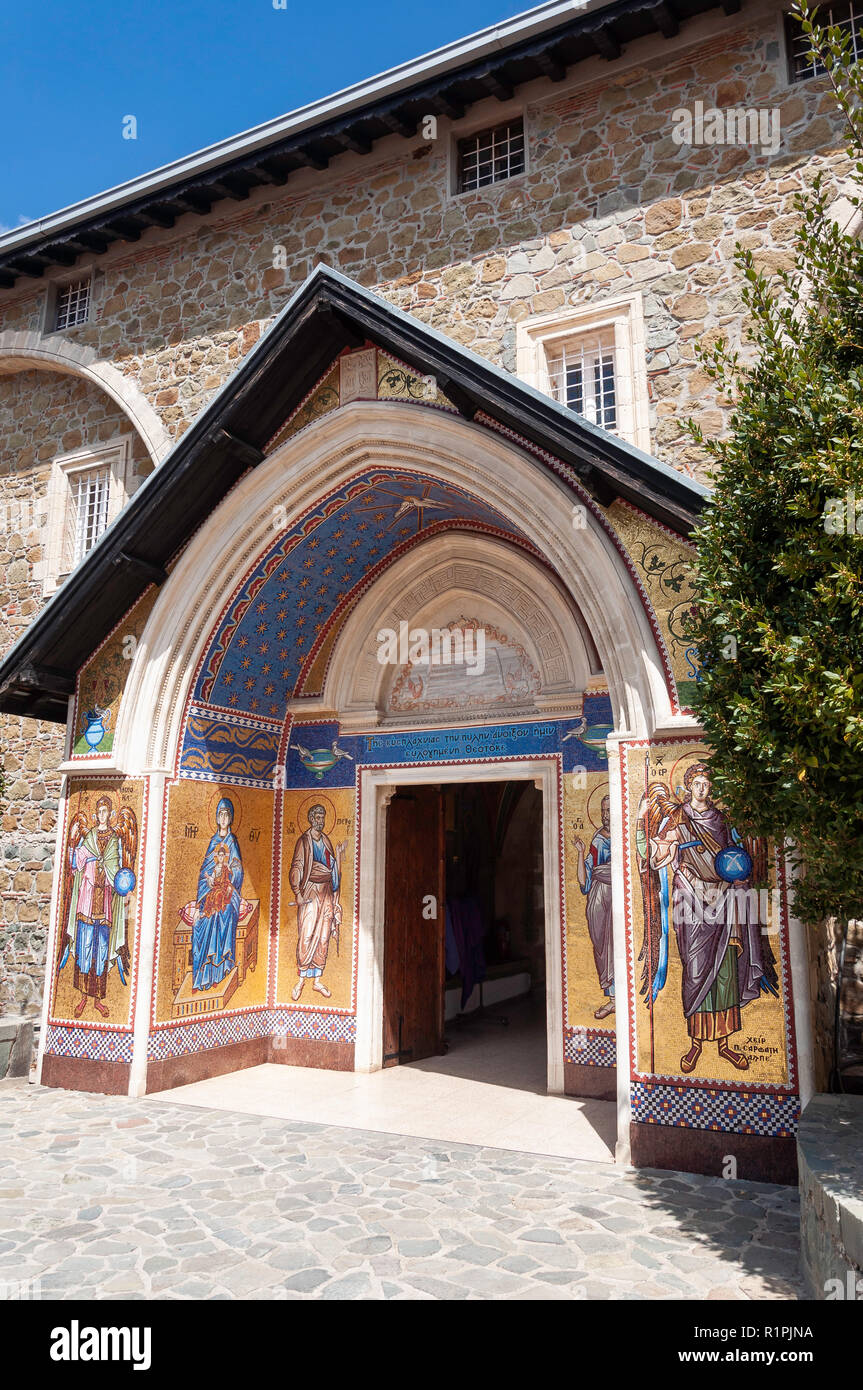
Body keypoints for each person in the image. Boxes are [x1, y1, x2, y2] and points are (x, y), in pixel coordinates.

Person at [651, 763, 768, 1074]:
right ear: (689, 785)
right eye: (697, 782)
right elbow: (656, 856)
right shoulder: (678, 817)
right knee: (696, 968)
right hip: (690, 898)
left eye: (706, 783)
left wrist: (740, 876)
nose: (702, 788)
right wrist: (668, 849)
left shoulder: (722, 818)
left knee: (726, 970)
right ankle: (696, 1045)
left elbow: (733, 855)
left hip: (725, 898)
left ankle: (726, 1044)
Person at [64, 796, 134, 1019]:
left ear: (110, 814)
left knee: (101, 951)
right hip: (86, 901)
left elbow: (116, 869)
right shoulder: (91, 836)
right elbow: (77, 861)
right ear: (96, 814)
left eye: (106, 811)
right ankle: (83, 998)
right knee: (84, 948)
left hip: (104, 903)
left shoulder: (114, 839)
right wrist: (73, 852)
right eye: (100, 811)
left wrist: (121, 885)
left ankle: (97, 1001)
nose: (103, 814)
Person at [289, 804, 346, 1000]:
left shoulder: (326, 841)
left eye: (323, 817)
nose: (321, 821)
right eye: (318, 817)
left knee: (323, 936)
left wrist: (338, 856)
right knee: (307, 933)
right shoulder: (304, 842)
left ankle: (317, 980)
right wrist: (297, 891)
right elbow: (297, 865)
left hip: (326, 892)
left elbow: (332, 867)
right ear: (311, 818)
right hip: (311, 891)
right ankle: (300, 981)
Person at [192, 798, 243, 991]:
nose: (223, 818)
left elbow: (238, 869)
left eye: (226, 814)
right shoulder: (213, 842)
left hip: (229, 891)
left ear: (230, 818)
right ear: (216, 817)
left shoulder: (232, 842)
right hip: (212, 893)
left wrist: (231, 874)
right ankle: (205, 973)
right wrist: (200, 903)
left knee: (225, 911)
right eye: (220, 814)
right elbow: (204, 874)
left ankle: (222, 967)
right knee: (201, 921)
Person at [573, 794, 615, 1020]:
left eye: (610, 810)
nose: (607, 815)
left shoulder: (627, 837)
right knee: (601, 947)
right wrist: (580, 853)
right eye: (604, 811)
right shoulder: (598, 840)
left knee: (616, 944)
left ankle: (619, 1000)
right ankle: (612, 999)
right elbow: (584, 880)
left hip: (617, 898)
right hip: (599, 899)